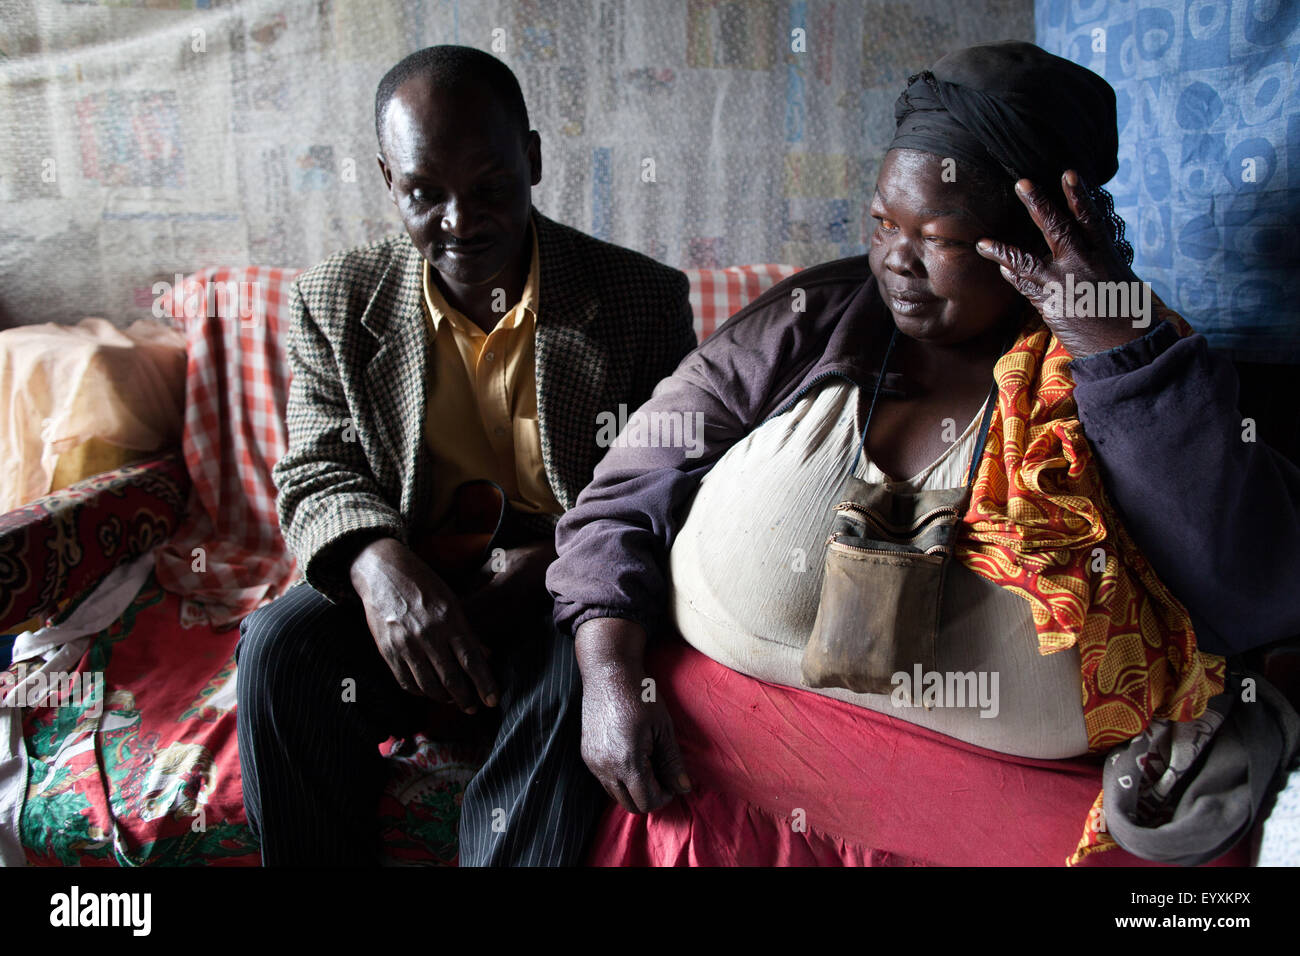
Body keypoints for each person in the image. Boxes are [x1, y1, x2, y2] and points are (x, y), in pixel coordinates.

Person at [546, 41, 1297, 865]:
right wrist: (611, 680)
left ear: (1035, 237)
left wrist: (1109, 345)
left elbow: (1247, 591)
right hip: (717, 792)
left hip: (997, 829)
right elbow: (621, 495)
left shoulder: (1133, 362)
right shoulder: (806, 321)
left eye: (936, 237)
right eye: (881, 223)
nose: (894, 262)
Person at [235, 45, 696, 866]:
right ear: (388, 180)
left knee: (574, 672)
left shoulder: (640, 300)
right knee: (279, 649)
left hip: (562, 585)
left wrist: (555, 555)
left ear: (534, 157)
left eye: (489, 186)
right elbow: (315, 468)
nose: (459, 221)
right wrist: (379, 567)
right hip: (415, 572)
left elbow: (668, 481)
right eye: (424, 194)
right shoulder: (334, 298)